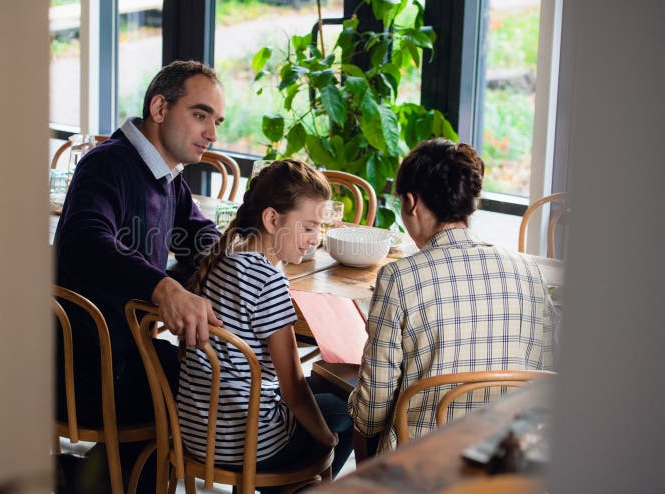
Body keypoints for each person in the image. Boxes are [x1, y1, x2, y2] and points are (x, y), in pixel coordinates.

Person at [53, 61, 224, 489]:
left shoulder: (165, 174)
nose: (213, 134)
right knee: (214, 393)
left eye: (216, 121)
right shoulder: (108, 163)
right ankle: (82, 479)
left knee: (210, 383)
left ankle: (88, 478)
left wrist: (235, 256)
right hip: (87, 369)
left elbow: (196, 233)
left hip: (124, 353)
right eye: (201, 115)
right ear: (160, 108)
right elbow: (84, 239)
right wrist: (162, 285)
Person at [348, 138, 555, 458]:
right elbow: (548, 373)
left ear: (411, 203)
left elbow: (371, 411)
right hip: (504, 458)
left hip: (422, 463)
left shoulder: (399, 278)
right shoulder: (530, 271)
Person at [179, 159, 354, 482]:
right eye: (308, 227)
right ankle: (298, 487)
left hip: (196, 430)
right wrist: (327, 439)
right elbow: (292, 388)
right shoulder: (266, 280)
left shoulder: (225, 255)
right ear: (272, 219)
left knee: (328, 389)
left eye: (320, 228)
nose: (315, 238)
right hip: (246, 445)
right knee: (353, 409)